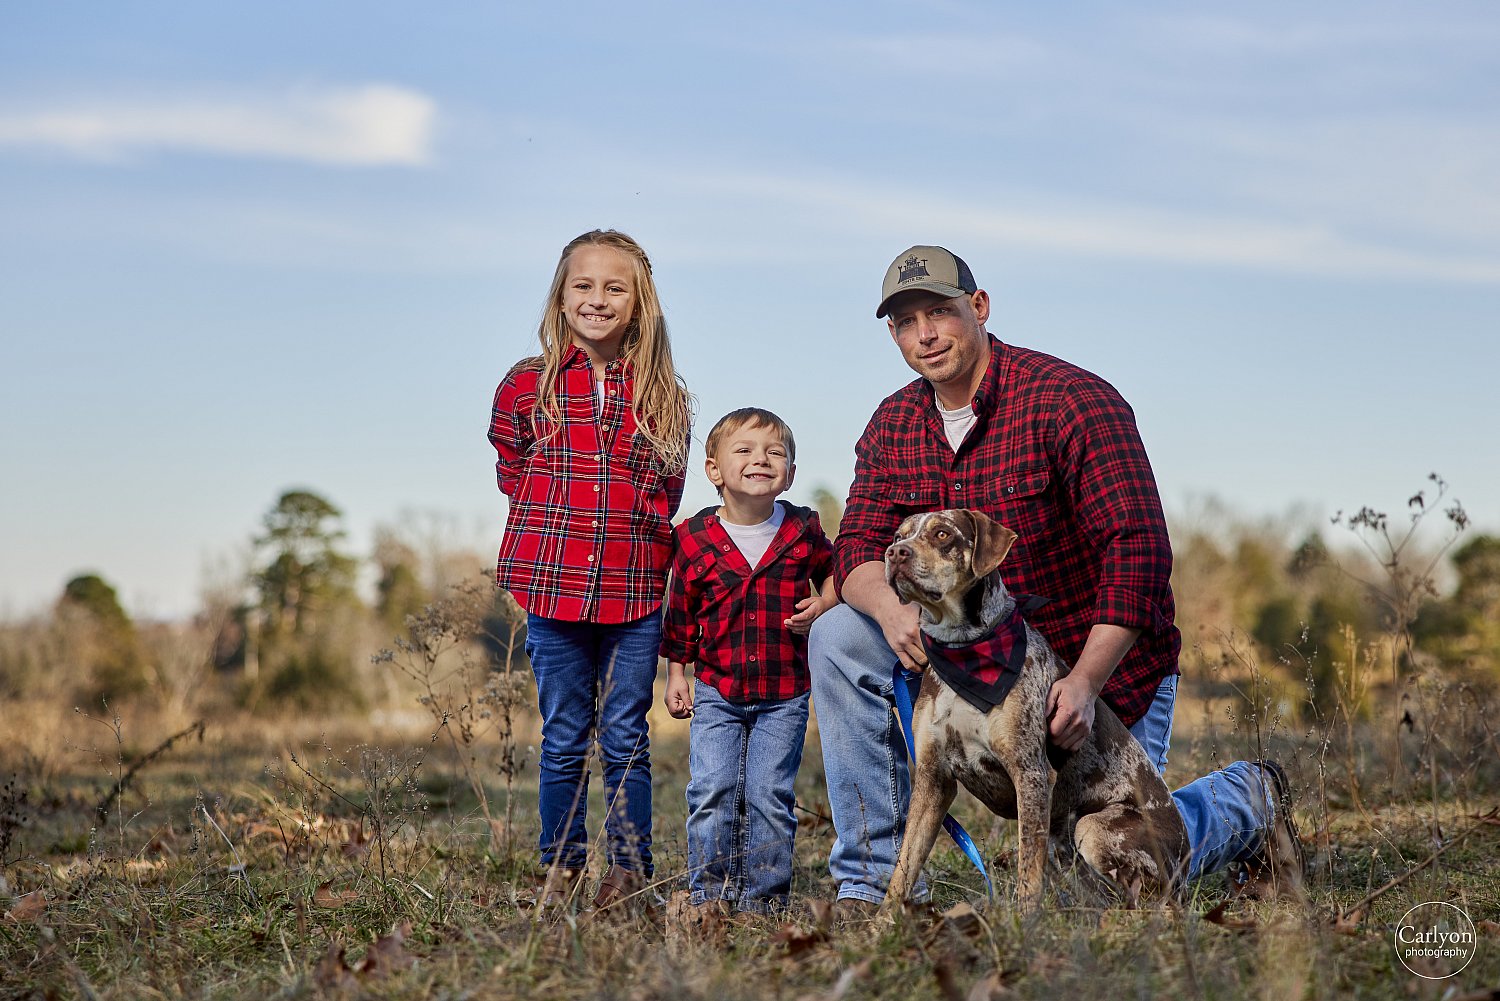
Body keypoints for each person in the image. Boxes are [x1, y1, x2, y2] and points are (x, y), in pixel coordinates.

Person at [809, 245, 1305, 917]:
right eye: (905, 322)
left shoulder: (1073, 400)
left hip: (1093, 662)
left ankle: (1248, 797)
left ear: (979, 308)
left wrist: (1086, 681)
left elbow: (1138, 550)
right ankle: (873, 884)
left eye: (940, 312)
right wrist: (891, 613)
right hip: (967, 654)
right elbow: (857, 546)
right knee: (841, 629)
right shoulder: (893, 423)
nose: (924, 334)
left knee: (1107, 859)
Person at [489, 229, 693, 912]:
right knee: (566, 733)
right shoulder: (527, 384)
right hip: (554, 586)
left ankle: (629, 870)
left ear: (639, 303)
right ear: (561, 295)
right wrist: (559, 522)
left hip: (633, 592)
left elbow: (668, 492)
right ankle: (563, 865)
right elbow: (513, 468)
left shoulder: (664, 395)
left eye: (615, 288)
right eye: (584, 285)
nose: (598, 299)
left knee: (628, 735)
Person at [661, 408, 837, 915]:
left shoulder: (803, 529)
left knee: (768, 793)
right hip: (717, 688)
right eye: (745, 450)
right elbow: (680, 612)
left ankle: (764, 898)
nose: (761, 459)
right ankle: (710, 894)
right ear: (714, 469)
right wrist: (677, 674)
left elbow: (836, 573)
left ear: (791, 473)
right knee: (712, 788)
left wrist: (824, 603)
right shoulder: (693, 538)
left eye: (775, 452)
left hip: (785, 692)